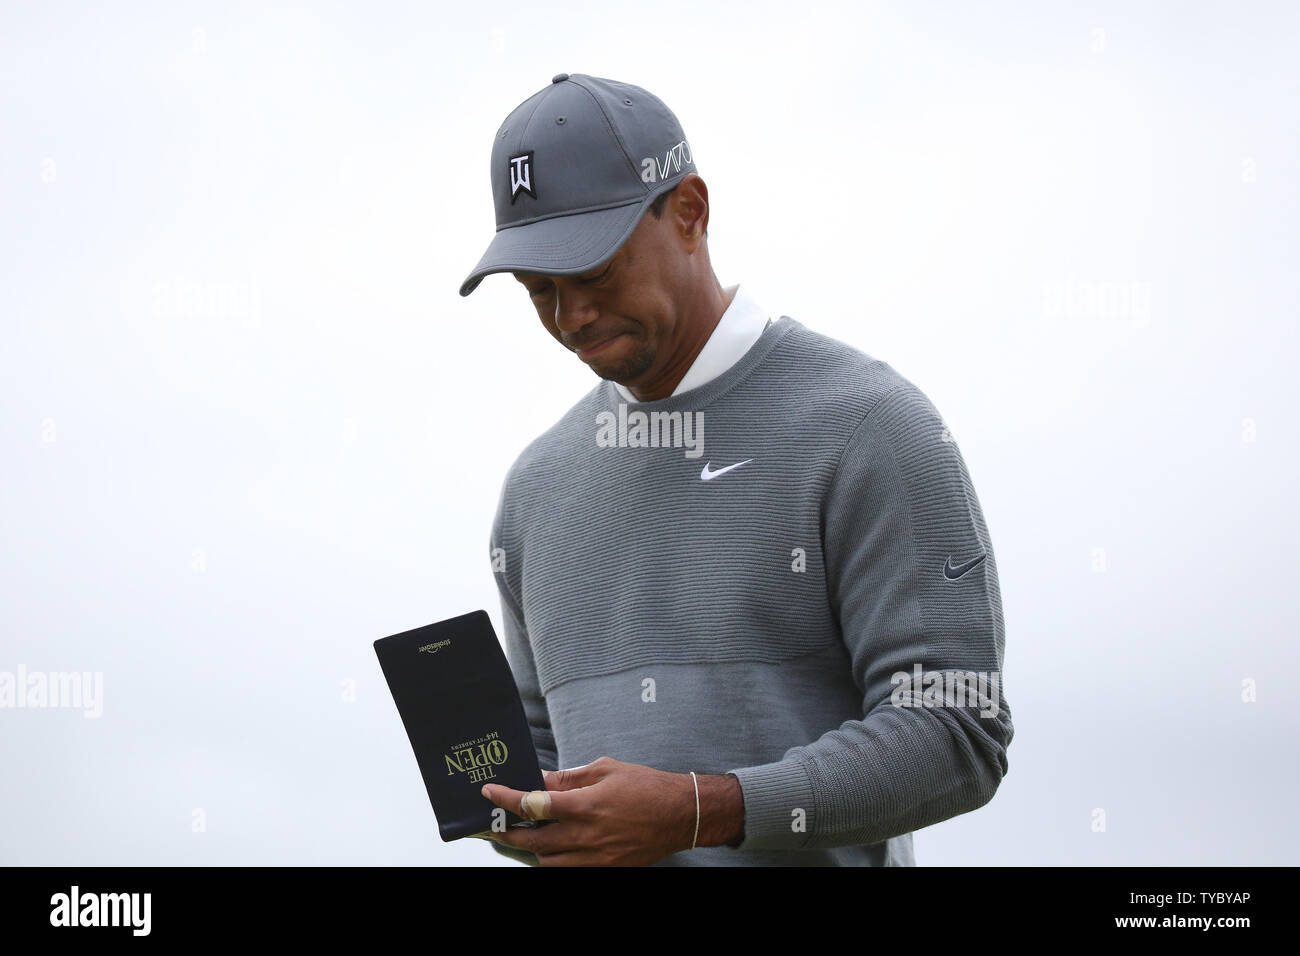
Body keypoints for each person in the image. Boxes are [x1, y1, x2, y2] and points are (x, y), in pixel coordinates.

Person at [458, 73, 1013, 867]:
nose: (570, 317)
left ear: (689, 211)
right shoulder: (535, 490)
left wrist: (699, 811)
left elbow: (958, 730)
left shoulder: (866, 426)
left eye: (593, 273)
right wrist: (514, 811)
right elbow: (546, 772)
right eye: (538, 289)